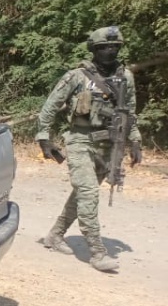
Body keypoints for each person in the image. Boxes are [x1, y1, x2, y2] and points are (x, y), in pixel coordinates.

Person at [36, 26, 142, 272]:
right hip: (80, 140)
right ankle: (97, 252)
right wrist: (44, 138)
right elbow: (50, 107)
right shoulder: (77, 76)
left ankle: (55, 235)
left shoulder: (125, 77)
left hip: (108, 144)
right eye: (105, 47)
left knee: (83, 194)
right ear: (94, 49)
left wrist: (135, 140)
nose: (110, 51)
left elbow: (130, 112)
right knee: (88, 194)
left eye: (115, 47)